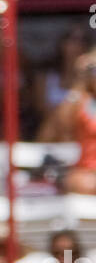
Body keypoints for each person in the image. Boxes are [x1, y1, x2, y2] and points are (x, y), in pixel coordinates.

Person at [50, 50, 96, 194]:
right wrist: (80, 79)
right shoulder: (81, 100)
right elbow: (60, 124)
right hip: (88, 172)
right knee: (85, 183)